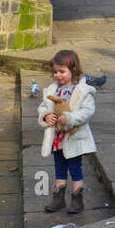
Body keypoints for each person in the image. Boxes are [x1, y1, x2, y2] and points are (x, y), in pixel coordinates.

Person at [37, 49, 97, 215]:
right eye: (55, 72)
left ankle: (77, 199)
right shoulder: (51, 90)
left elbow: (87, 111)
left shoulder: (82, 91)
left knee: (75, 167)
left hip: (73, 136)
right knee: (59, 167)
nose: (58, 75)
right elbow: (43, 106)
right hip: (57, 137)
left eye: (62, 71)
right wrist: (46, 115)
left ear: (73, 70)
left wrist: (70, 118)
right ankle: (58, 198)